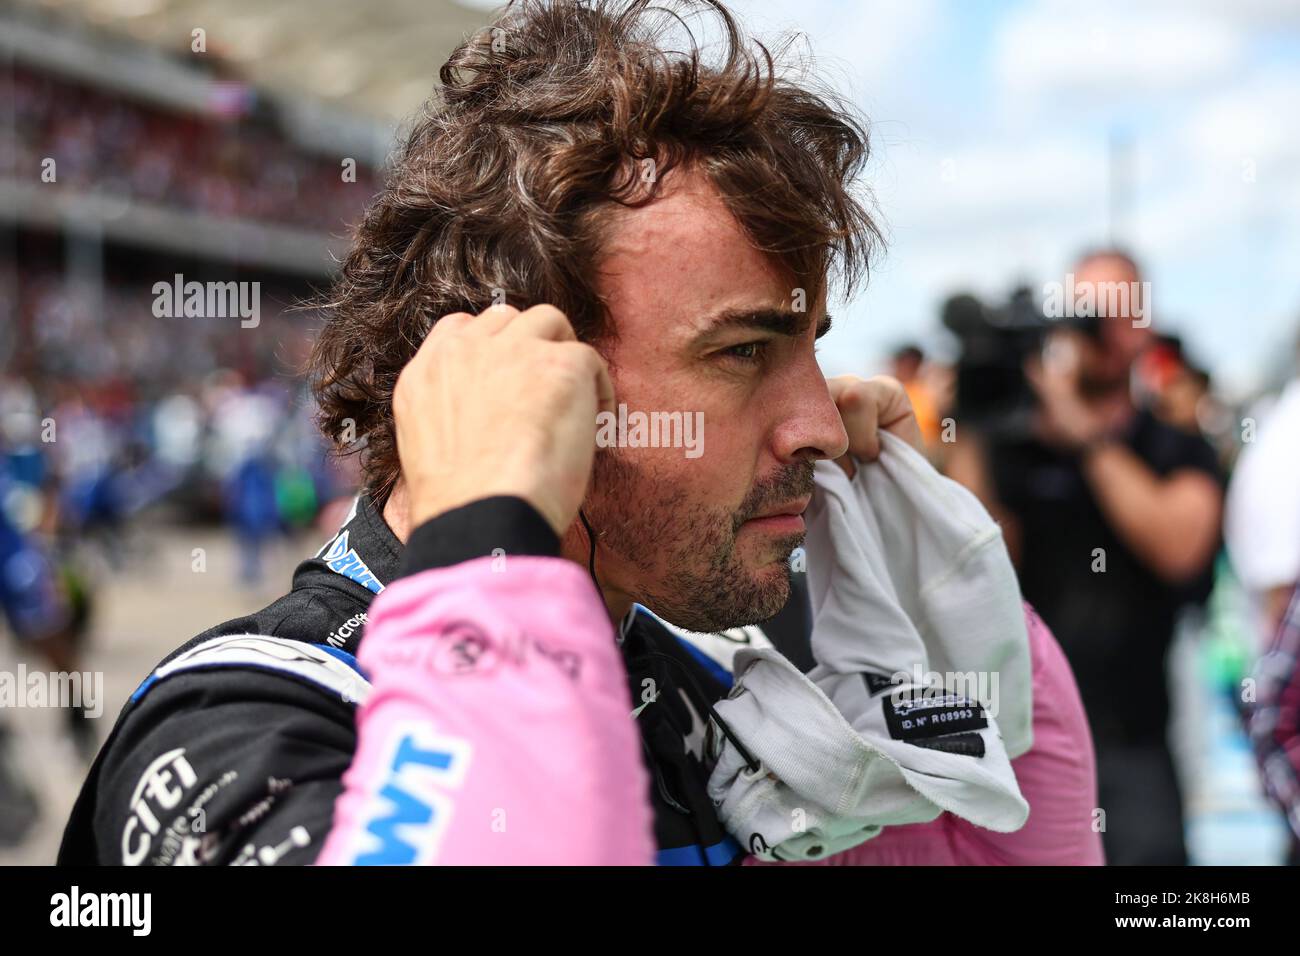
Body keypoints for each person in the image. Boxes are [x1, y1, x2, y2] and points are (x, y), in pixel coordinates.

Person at [59, 0, 1097, 866]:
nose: (823, 422)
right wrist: (489, 555)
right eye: (744, 352)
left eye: (811, 351)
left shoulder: (691, 693)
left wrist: (944, 596)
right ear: (517, 368)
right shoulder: (232, 731)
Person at [946, 248, 1223, 865]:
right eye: (1083, 310)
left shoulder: (1174, 448)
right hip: (1028, 745)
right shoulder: (1020, 449)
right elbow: (973, 568)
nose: (1098, 326)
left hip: (1135, 750)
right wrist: (971, 428)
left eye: (1114, 311)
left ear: (1144, 323)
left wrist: (1087, 438)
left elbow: (1179, 548)